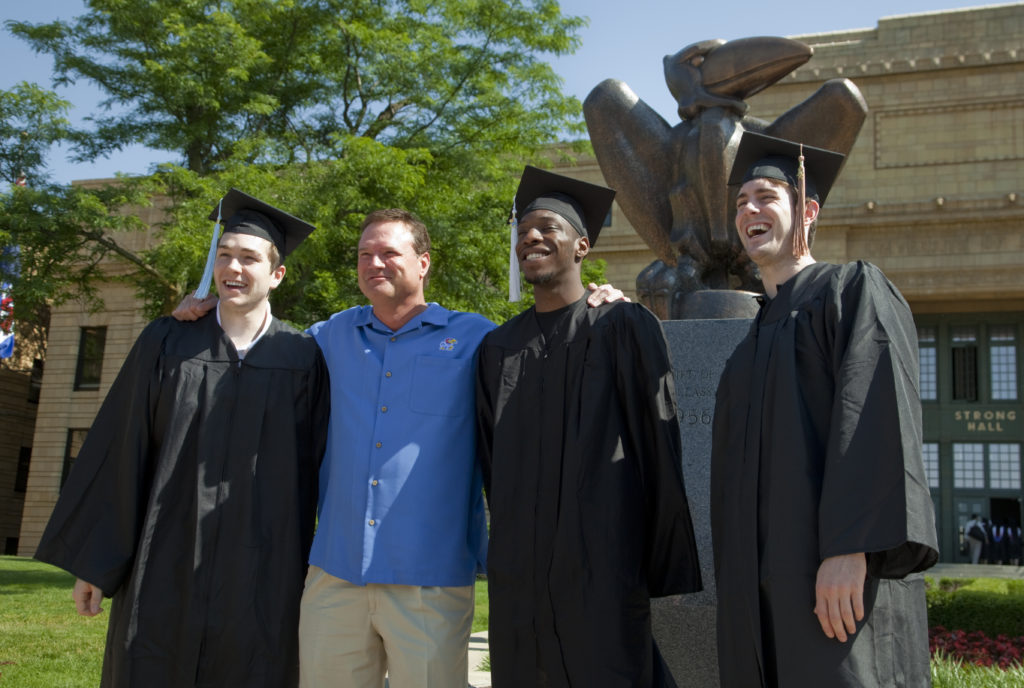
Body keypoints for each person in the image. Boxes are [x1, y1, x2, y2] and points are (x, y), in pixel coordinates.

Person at [174, 206, 624, 687]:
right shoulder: (325, 339)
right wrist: (203, 316)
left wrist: (594, 301)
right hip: (336, 575)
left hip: (430, 580)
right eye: (365, 254)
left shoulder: (479, 341)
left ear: (423, 262)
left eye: (389, 252)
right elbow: (251, 348)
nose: (374, 263)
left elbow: (553, 361)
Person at [36, 189, 330, 687]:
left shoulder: (302, 357)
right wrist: (97, 564)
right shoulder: (166, 341)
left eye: (249, 258)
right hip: (164, 555)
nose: (234, 269)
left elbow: (322, 465)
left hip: (264, 561)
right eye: (225, 256)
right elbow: (120, 450)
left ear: (277, 274)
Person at [710, 131, 939, 687]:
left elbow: (873, 416)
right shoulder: (749, 344)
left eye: (766, 196)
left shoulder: (850, 291)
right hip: (759, 597)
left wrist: (850, 547)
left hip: (836, 581)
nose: (749, 210)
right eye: (741, 203)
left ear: (807, 210)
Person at [475, 166, 703, 687]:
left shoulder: (622, 326)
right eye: (523, 231)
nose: (530, 237)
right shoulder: (496, 349)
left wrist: (647, 559)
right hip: (521, 571)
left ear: (582, 247)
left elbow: (657, 447)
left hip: (603, 563)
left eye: (547, 228)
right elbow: (493, 462)